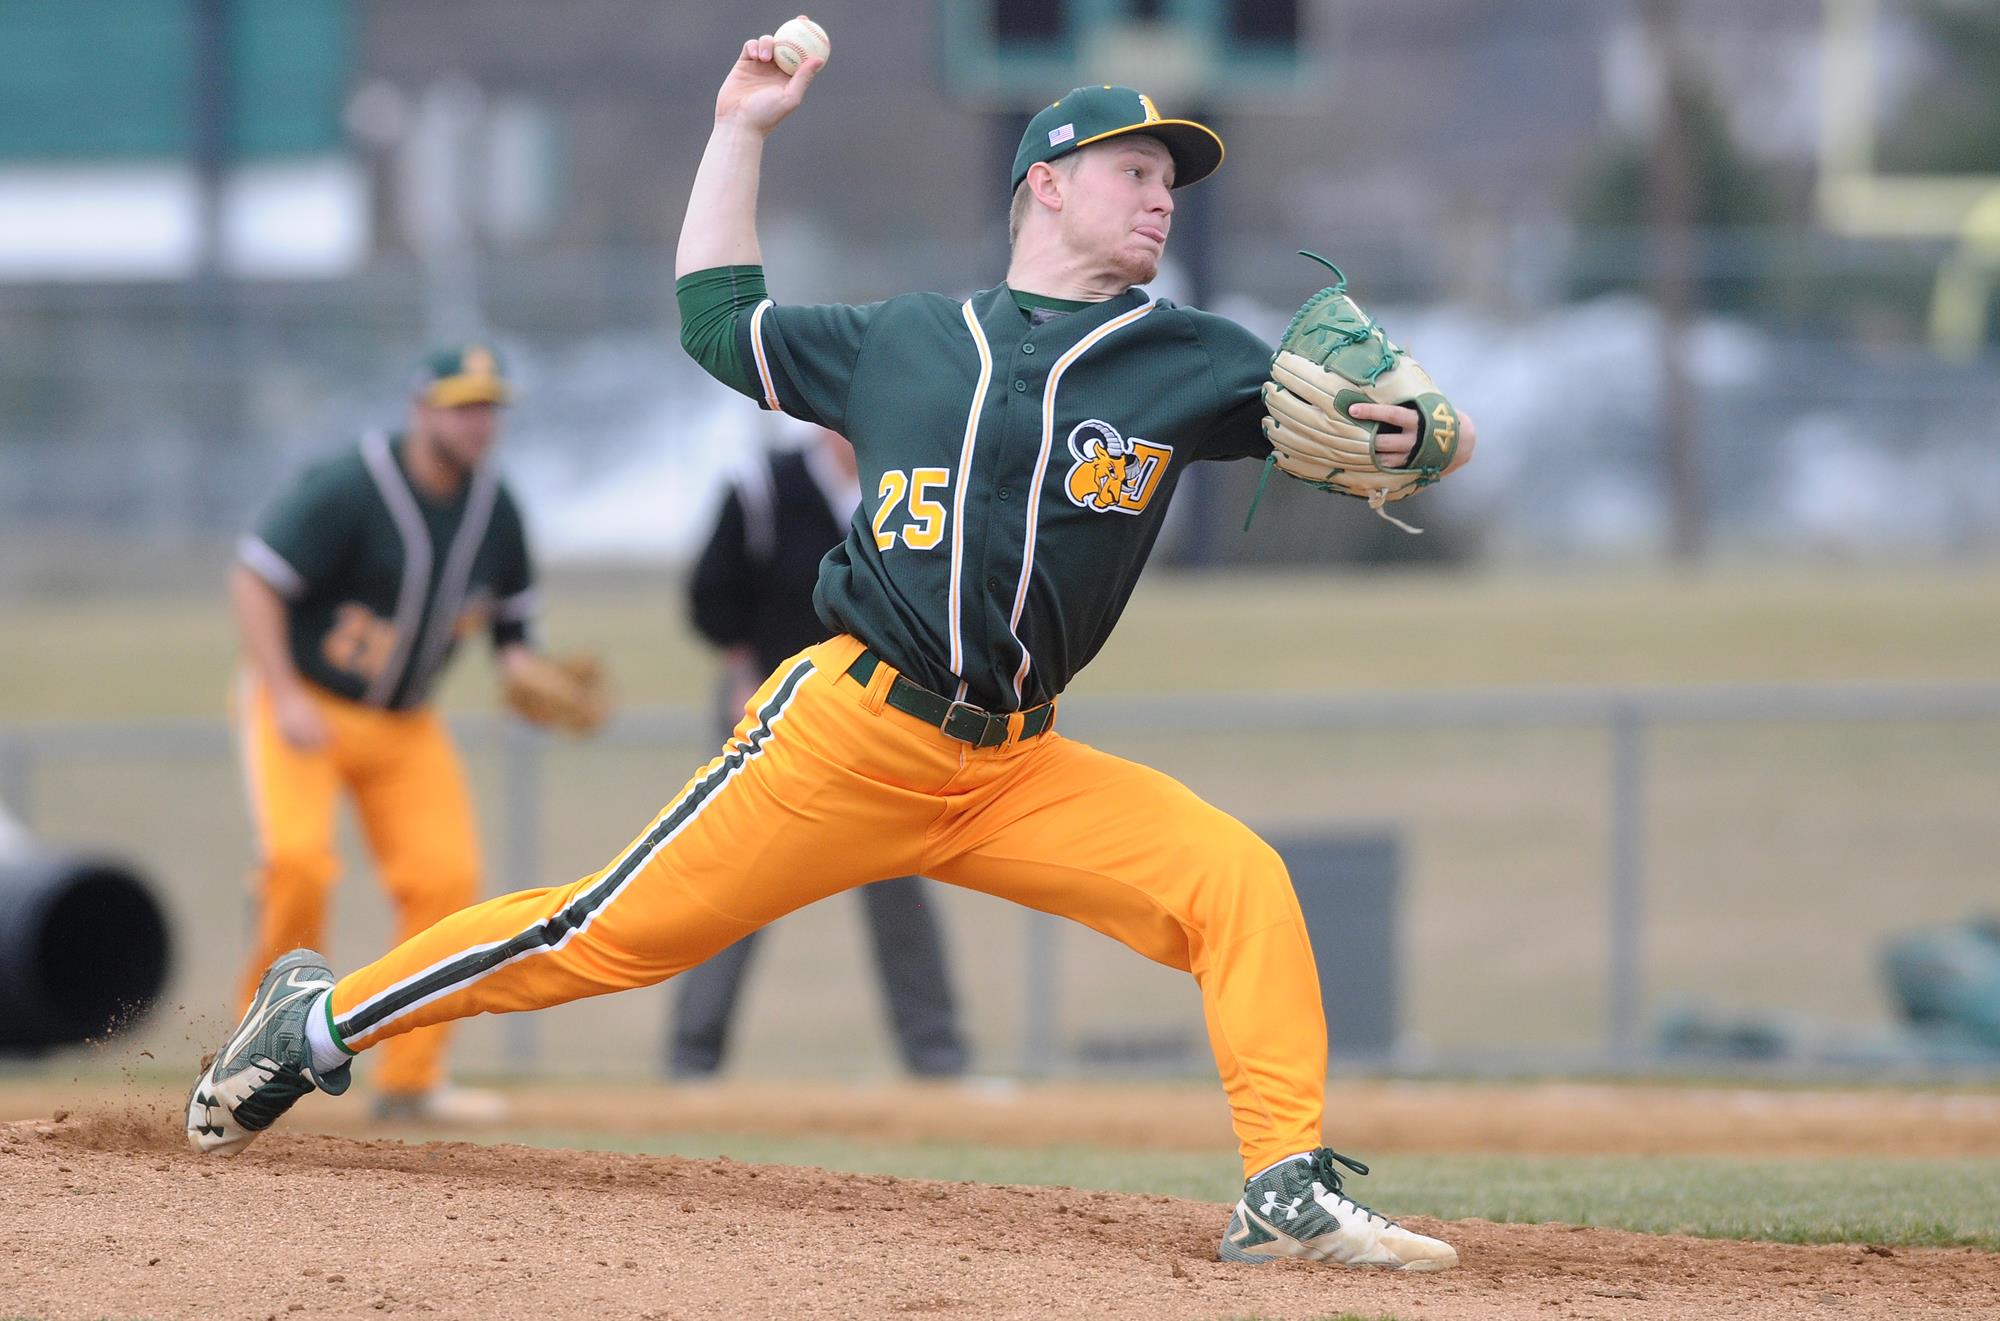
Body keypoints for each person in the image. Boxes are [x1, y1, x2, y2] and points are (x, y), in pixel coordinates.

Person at [187, 31, 1478, 1274]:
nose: (1160, 200)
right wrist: (737, 130)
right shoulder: (905, 340)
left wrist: (1427, 434)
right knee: (596, 936)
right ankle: (317, 1021)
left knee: (1235, 882)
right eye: (1134, 172)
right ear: (1046, 183)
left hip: (1018, 770)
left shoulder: (1189, 361)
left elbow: (1381, 431)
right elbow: (714, 320)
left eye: (1170, 183)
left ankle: (1282, 1191)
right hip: (847, 739)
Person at [224, 345, 552, 1124]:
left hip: (406, 726)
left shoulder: (494, 509)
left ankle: (410, 1080)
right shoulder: (351, 486)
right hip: (305, 706)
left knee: (447, 880)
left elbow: (513, 628)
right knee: (299, 864)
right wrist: (283, 692)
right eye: (463, 404)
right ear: (421, 409)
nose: (480, 421)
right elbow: (254, 578)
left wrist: (528, 674)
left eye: (490, 406)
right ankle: (249, 1059)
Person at [670, 423, 968, 1079]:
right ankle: (692, 1057)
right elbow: (710, 593)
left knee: (897, 885)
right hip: (773, 713)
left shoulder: (910, 484)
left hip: (876, 716)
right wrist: (740, 666)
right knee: (735, 880)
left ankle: (937, 1055)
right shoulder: (764, 487)